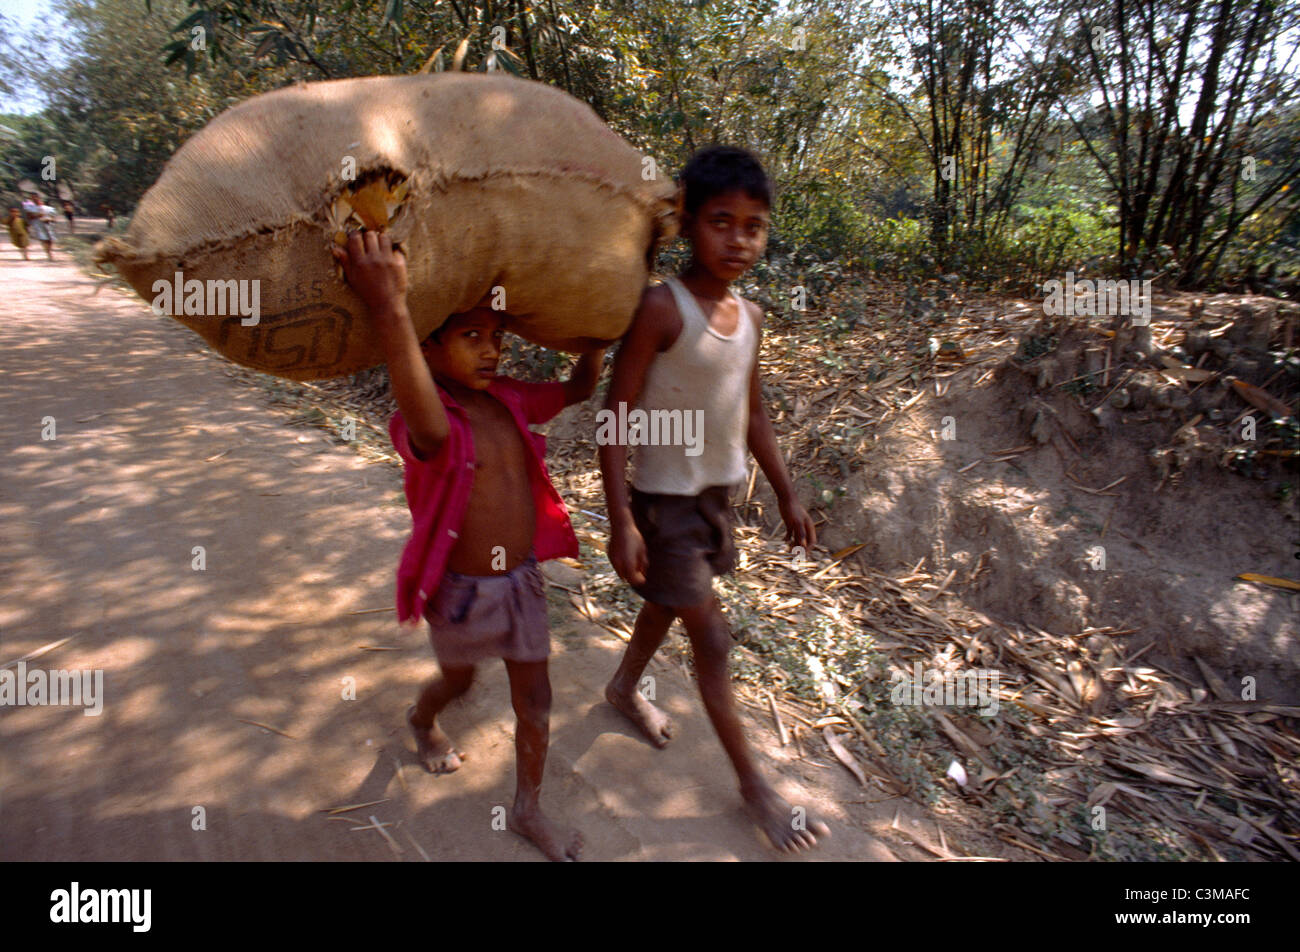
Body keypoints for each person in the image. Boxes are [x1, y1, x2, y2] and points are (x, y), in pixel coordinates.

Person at [333, 229, 604, 862]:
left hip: (523, 583)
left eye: (496, 337)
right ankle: (423, 721)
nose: (491, 351)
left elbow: (580, 390)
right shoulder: (426, 424)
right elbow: (426, 422)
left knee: (535, 700)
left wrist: (595, 339)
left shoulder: (509, 398)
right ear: (426, 350)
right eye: (471, 337)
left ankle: (527, 807)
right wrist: (389, 304)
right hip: (461, 592)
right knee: (458, 683)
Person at [598, 145, 830, 853]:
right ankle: (755, 789)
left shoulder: (751, 316)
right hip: (664, 505)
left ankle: (621, 688)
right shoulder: (661, 310)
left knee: (670, 602)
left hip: (715, 499)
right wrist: (618, 520)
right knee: (714, 637)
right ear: (689, 224)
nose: (739, 240)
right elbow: (615, 414)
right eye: (721, 222)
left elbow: (753, 413)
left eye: (754, 226)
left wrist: (788, 494)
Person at [21, 194, 55, 260]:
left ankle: (49, 251)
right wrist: (37, 215)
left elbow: (52, 214)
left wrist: (50, 218)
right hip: (37, 224)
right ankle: (49, 254)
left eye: (36, 197)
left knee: (50, 239)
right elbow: (29, 216)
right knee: (43, 239)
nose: (34, 198)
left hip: (47, 223)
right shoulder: (30, 207)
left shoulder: (44, 205)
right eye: (33, 197)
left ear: (38, 197)